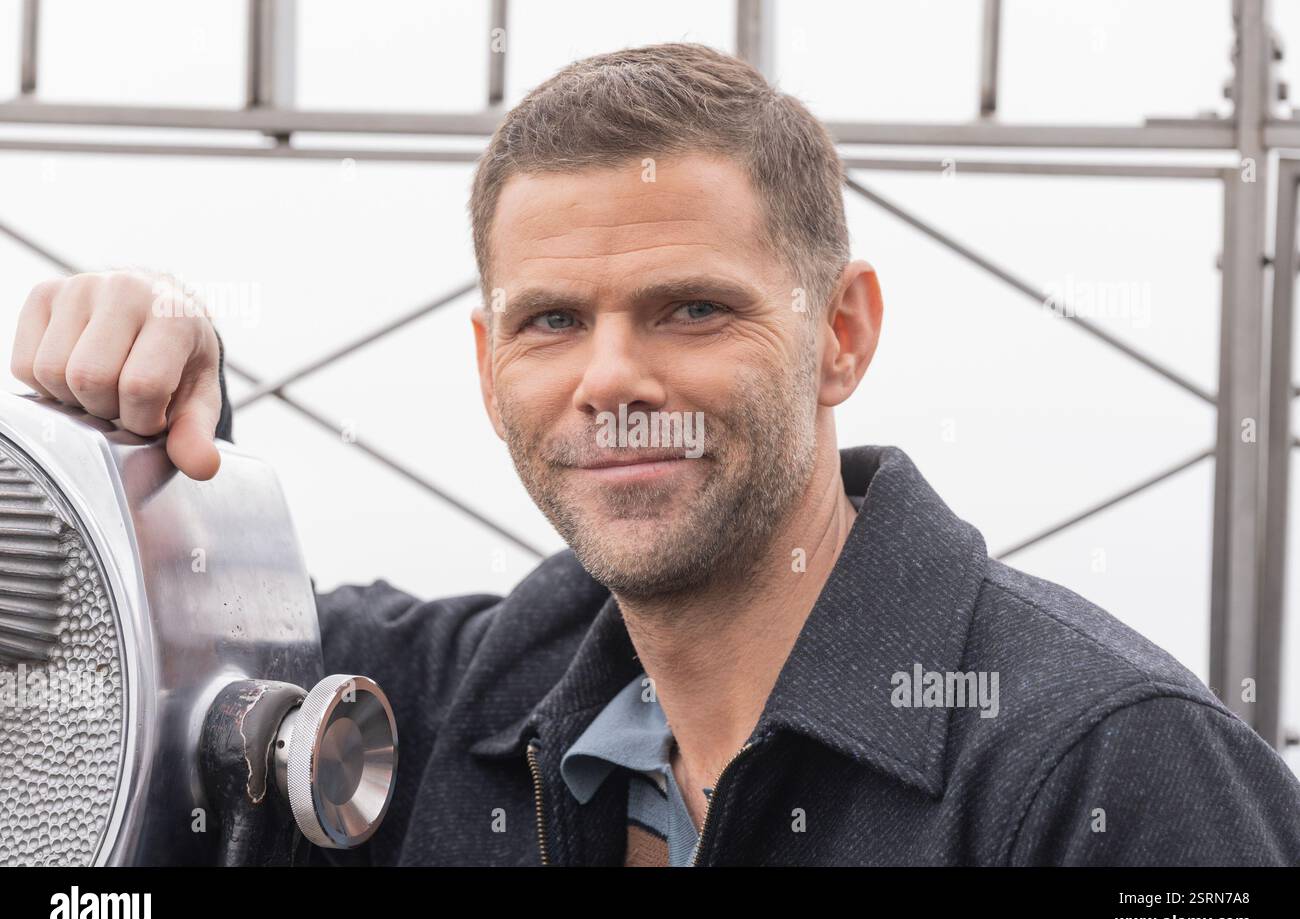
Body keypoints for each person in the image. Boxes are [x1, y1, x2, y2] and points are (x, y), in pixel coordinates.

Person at [8, 43, 1300, 866]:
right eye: (553, 321)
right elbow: (103, 688)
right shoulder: (429, 713)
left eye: (693, 308)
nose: (612, 376)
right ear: (486, 366)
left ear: (840, 334)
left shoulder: (1109, 767)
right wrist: (140, 429)